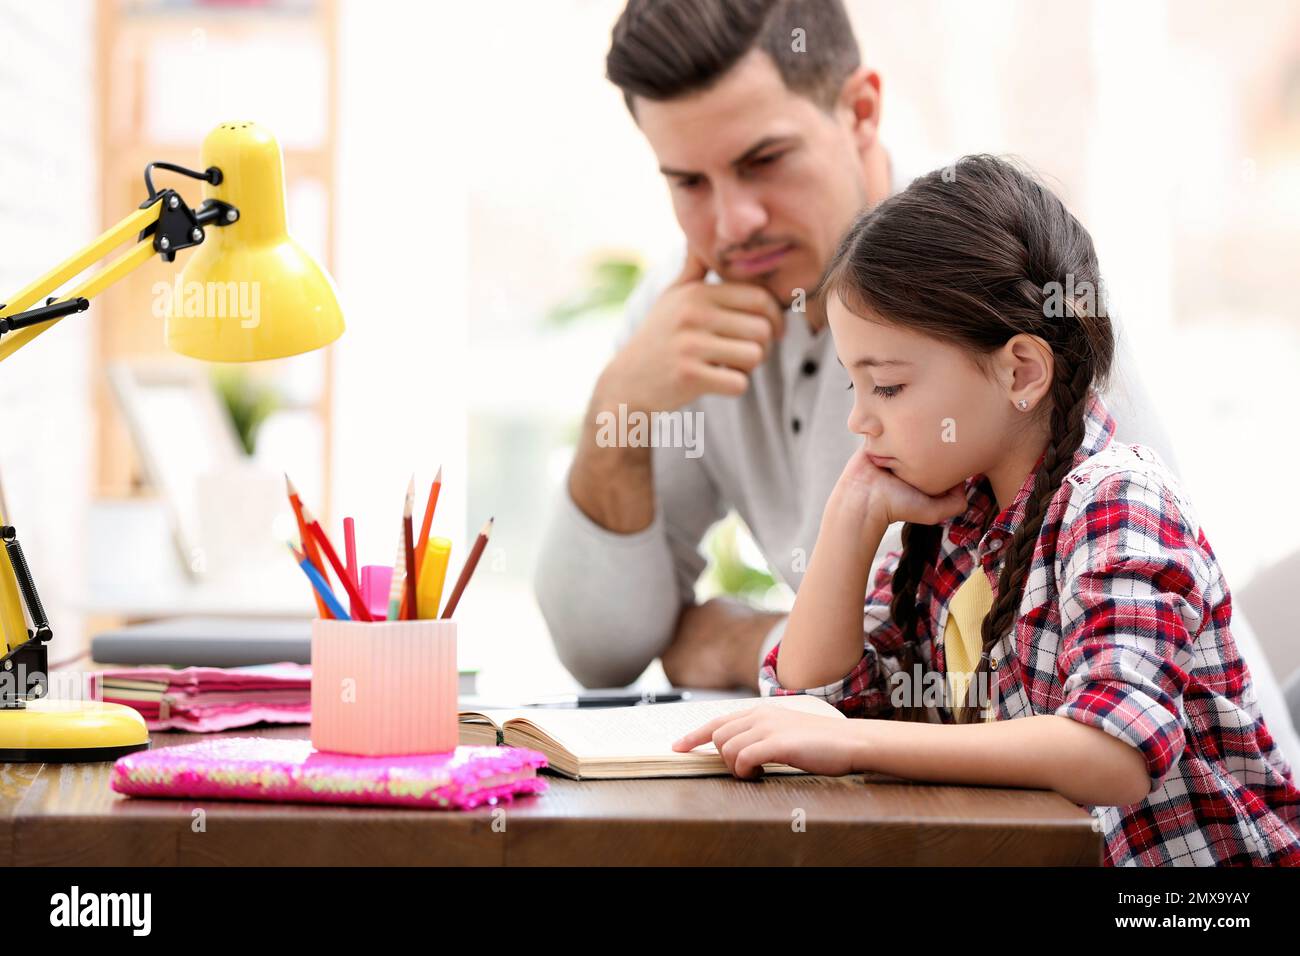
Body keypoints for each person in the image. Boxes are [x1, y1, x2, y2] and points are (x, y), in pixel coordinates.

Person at [672, 155, 1300, 866]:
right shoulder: (956, 518)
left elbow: (1114, 751)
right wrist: (847, 522)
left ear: (1021, 371)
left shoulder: (1119, 501)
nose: (858, 420)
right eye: (853, 385)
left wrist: (852, 741)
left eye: (887, 386)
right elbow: (815, 698)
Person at [535, 0, 1177, 693]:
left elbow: (1027, 651)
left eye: (764, 161)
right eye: (689, 182)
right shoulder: (685, 314)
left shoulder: (985, 258)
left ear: (862, 111)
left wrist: (747, 645)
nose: (732, 223)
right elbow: (600, 654)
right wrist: (618, 413)